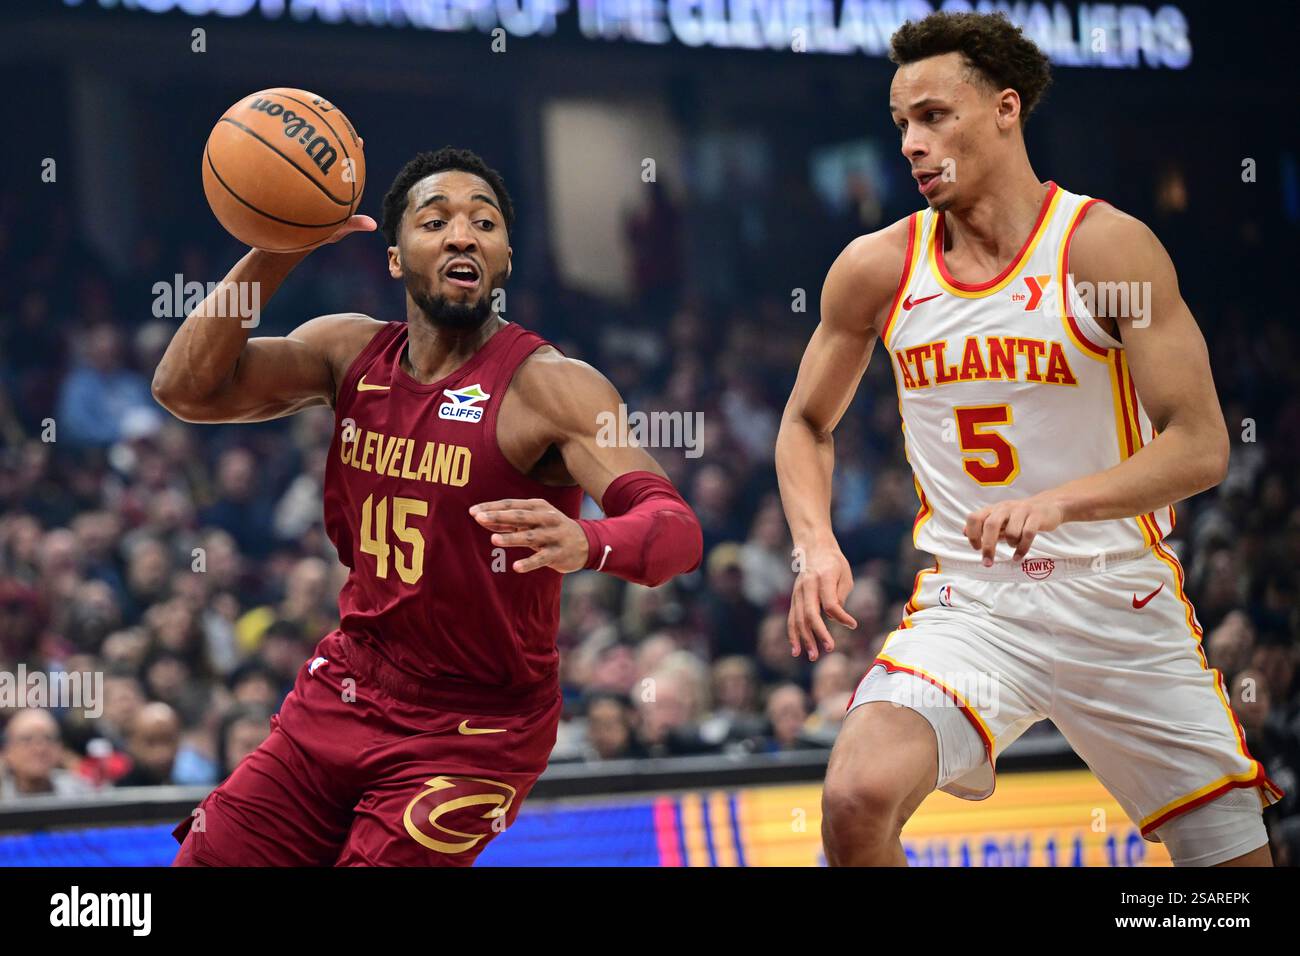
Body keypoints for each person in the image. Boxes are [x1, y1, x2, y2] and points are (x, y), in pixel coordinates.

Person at [775, 11, 1282, 867]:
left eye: (934, 115)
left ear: (1007, 109)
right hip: (972, 603)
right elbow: (805, 423)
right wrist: (814, 544)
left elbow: (1200, 446)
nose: (911, 142)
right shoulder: (877, 267)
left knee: (1229, 880)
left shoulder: (1103, 250)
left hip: (1116, 596)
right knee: (856, 799)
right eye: (901, 123)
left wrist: (1056, 504)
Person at [153, 146, 702, 866]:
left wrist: (588, 541)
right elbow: (186, 387)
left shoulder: (552, 388)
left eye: (485, 222)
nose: (463, 235)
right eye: (435, 220)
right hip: (346, 688)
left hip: (475, 726)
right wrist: (276, 246)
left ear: (504, 259)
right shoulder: (347, 353)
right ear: (393, 257)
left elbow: (675, 529)